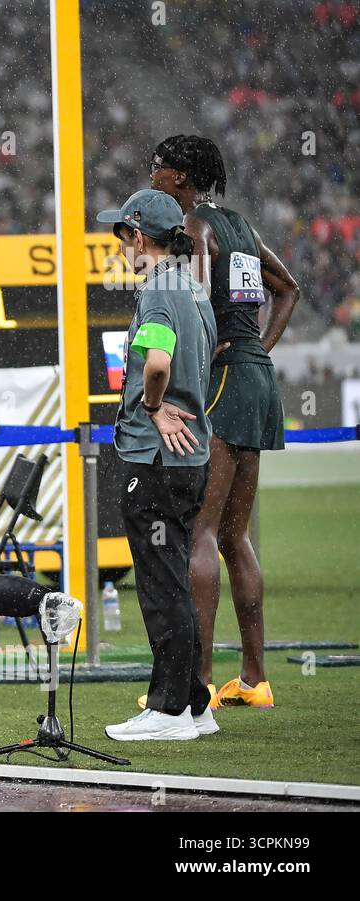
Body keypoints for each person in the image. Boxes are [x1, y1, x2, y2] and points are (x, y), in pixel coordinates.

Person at [150, 135, 300, 710]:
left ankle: (201, 684)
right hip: (257, 380)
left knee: (200, 533)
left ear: (182, 178)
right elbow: (289, 289)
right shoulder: (240, 225)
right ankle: (255, 679)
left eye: (159, 169)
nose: (154, 176)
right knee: (236, 536)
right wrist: (255, 348)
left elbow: (199, 303)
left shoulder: (194, 228)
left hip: (225, 383)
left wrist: (217, 351)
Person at [96, 189, 219, 742]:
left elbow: (158, 363)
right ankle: (195, 704)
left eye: (122, 234)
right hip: (191, 456)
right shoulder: (193, 288)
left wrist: (152, 405)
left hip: (156, 456)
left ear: (140, 236)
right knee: (175, 578)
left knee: (161, 584)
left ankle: (168, 711)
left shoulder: (159, 291)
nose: (119, 245)